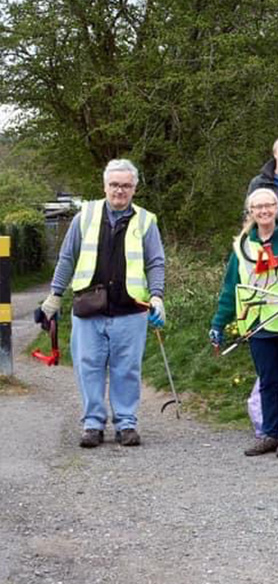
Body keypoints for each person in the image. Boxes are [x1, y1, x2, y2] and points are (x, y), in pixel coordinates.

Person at [38, 159, 166, 448]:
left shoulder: (146, 220)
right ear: (104, 186)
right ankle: (93, 424)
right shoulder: (85, 215)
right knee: (88, 367)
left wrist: (157, 296)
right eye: (114, 185)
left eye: (126, 186)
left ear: (135, 188)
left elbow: (156, 262)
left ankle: (126, 423)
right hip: (88, 306)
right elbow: (67, 257)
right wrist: (54, 296)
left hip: (131, 308)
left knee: (127, 368)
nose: (119, 191)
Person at [209, 188, 278, 458]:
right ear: (250, 211)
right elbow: (232, 287)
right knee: (267, 379)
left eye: (269, 205)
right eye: (258, 207)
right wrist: (219, 322)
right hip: (257, 322)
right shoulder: (242, 248)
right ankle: (269, 433)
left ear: (277, 208)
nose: (264, 211)